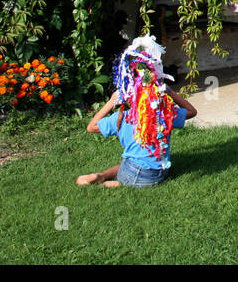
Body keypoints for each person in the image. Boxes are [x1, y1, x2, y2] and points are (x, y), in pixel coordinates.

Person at [76, 36, 196, 188]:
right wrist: (170, 92)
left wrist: (111, 102)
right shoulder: (164, 114)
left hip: (134, 173)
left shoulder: (122, 116)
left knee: (128, 165)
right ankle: (106, 177)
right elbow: (192, 111)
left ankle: (107, 181)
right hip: (160, 173)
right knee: (128, 164)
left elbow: (91, 127)